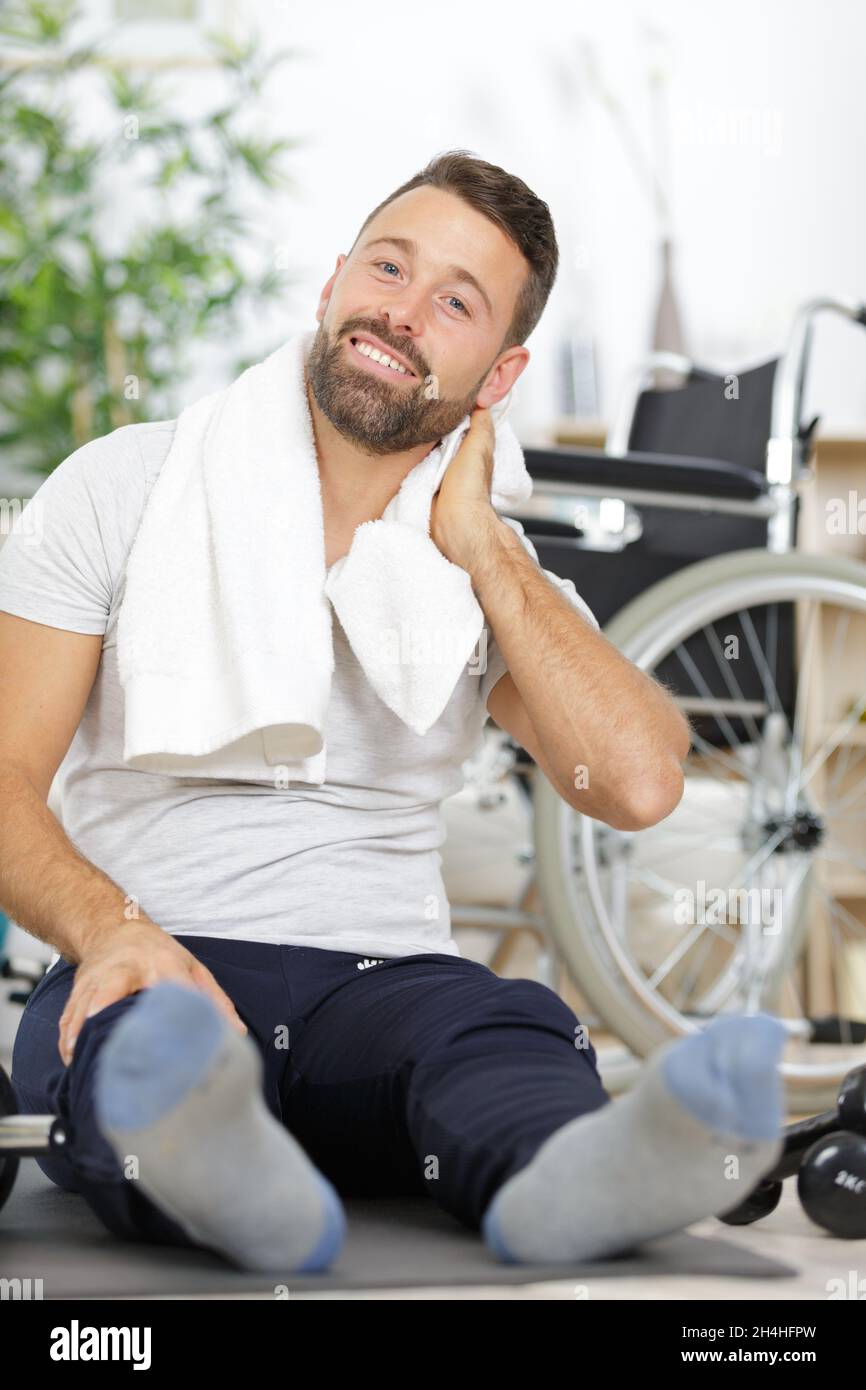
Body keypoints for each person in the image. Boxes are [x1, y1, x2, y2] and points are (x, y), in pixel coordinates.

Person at [0, 151, 784, 1273]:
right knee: (151, 1049)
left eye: (454, 302)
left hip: (383, 982)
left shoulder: (476, 562)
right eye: (388, 266)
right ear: (332, 282)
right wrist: (110, 931)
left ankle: (570, 1175)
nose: (399, 312)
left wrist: (483, 550)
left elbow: (638, 779)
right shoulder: (122, 487)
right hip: (154, 947)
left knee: (502, 1025)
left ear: (499, 373)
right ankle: (227, 1172)